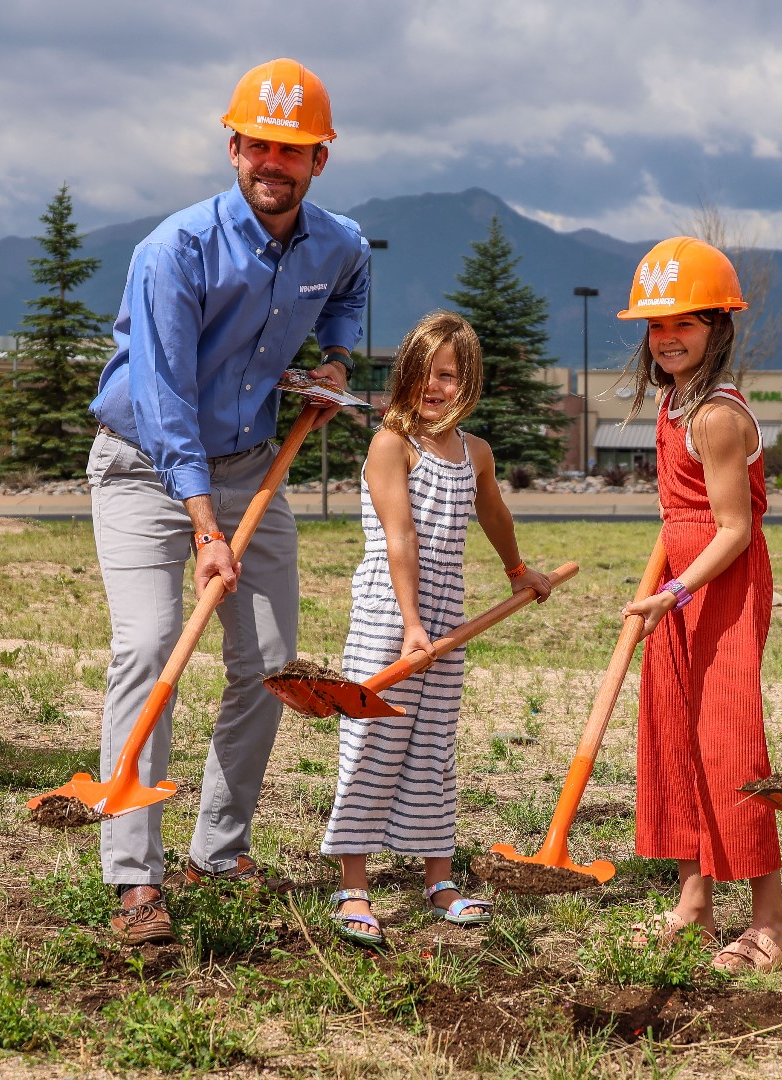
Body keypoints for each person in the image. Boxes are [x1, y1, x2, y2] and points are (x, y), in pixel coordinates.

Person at [87, 57, 368, 946]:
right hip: (143, 466)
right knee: (148, 647)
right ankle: (135, 876)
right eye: (256, 145)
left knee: (272, 666)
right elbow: (166, 396)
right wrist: (205, 525)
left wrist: (335, 362)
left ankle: (220, 845)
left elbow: (348, 301)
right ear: (234, 146)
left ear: (319, 158)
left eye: (290, 149)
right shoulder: (174, 248)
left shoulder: (339, 244)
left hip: (252, 462)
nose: (270, 162)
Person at [322, 310, 552, 946]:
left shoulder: (474, 453)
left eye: (448, 375)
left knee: (431, 748)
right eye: (424, 373)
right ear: (404, 377)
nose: (435, 386)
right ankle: (354, 884)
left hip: (445, 619)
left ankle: (440, 881)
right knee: (372, 744)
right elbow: (400, 538)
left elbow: (494, 512)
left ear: (467, 382)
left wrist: (517, 570)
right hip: (388, 615)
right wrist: (411, 624)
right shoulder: (390, 444)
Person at [613, 237, 782, 973]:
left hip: (722, 588)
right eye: (656, 326)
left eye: (684, 322)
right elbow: (679, 515)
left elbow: (735, 531)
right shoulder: (670, 400)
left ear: (719, 327)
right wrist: (664, 587)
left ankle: (772, 924)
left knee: (728, 745)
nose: (668, 338)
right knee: (675, 738)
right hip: (678, 588)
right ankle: (694, 903)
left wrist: (677, 592)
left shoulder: (715, 416)